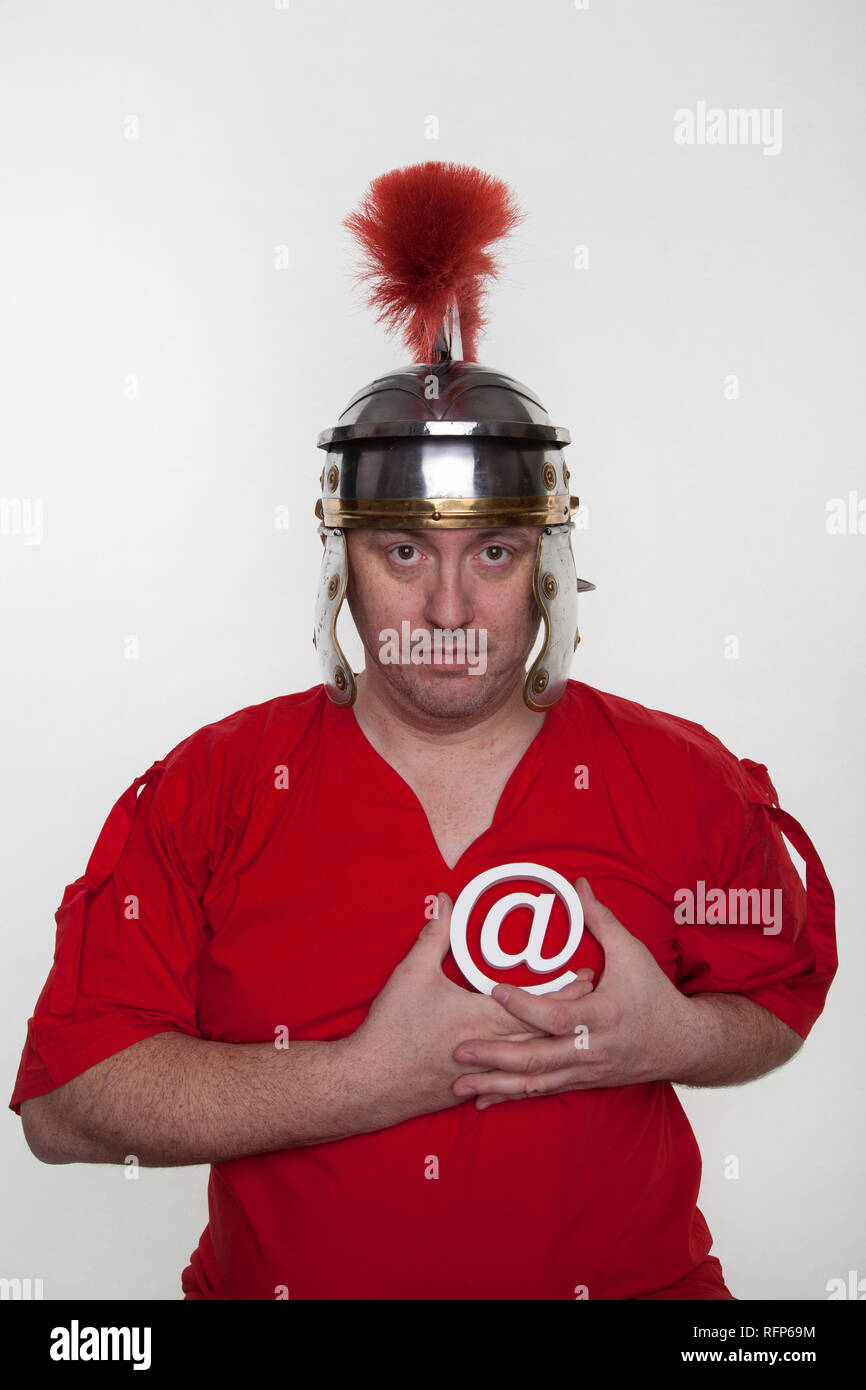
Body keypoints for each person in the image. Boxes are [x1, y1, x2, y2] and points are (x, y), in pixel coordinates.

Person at [10, 162, 837, 1301]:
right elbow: (64, 1106)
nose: (447, 611)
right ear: (338, 559)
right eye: (403, 553)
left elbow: (775, 997)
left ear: (545, 565)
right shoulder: (211, 792)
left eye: (491, 553)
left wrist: (672, 1040)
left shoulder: (678, 777)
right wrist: (370, 1076)